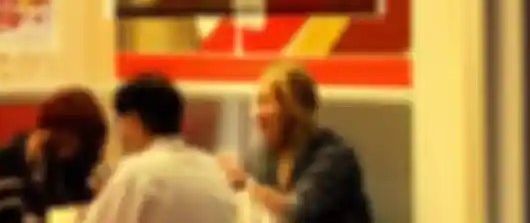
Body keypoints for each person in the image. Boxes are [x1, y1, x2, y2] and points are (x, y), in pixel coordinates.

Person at [217, 62, 373, 223]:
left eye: (266, 102)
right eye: (257, 103)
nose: (256, 114)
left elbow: (296, 211)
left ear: (295, 114)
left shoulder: (334, 158)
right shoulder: (261, 156)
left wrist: (246, 184)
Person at [83, 74, 234, 223]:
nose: (119, 133)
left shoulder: (136, 173)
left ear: (133, 121)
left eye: (119, 122)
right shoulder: (213, 170)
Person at [0, 87, 108, 223]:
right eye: (66, 136)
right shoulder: (8, 160)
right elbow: (6, 217)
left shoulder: (76, 163)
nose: (71, 147)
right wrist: (33, 170)